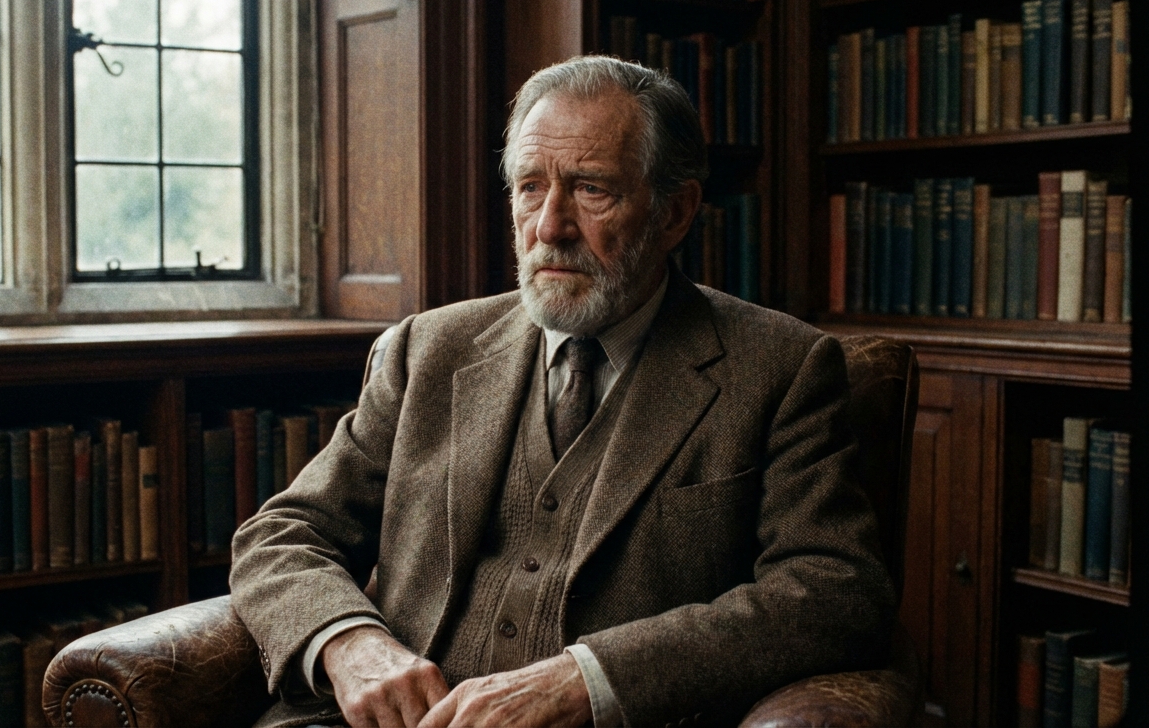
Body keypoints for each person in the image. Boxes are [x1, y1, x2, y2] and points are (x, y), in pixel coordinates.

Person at [229, 55, 895, 728]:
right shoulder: (428, 350)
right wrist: (350, 644)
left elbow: (833, 590)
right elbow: (284, 534)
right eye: (528, 187)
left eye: (591, 189)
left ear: (676, 212)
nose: (549, 226)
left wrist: (592, 680)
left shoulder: (781, 367)